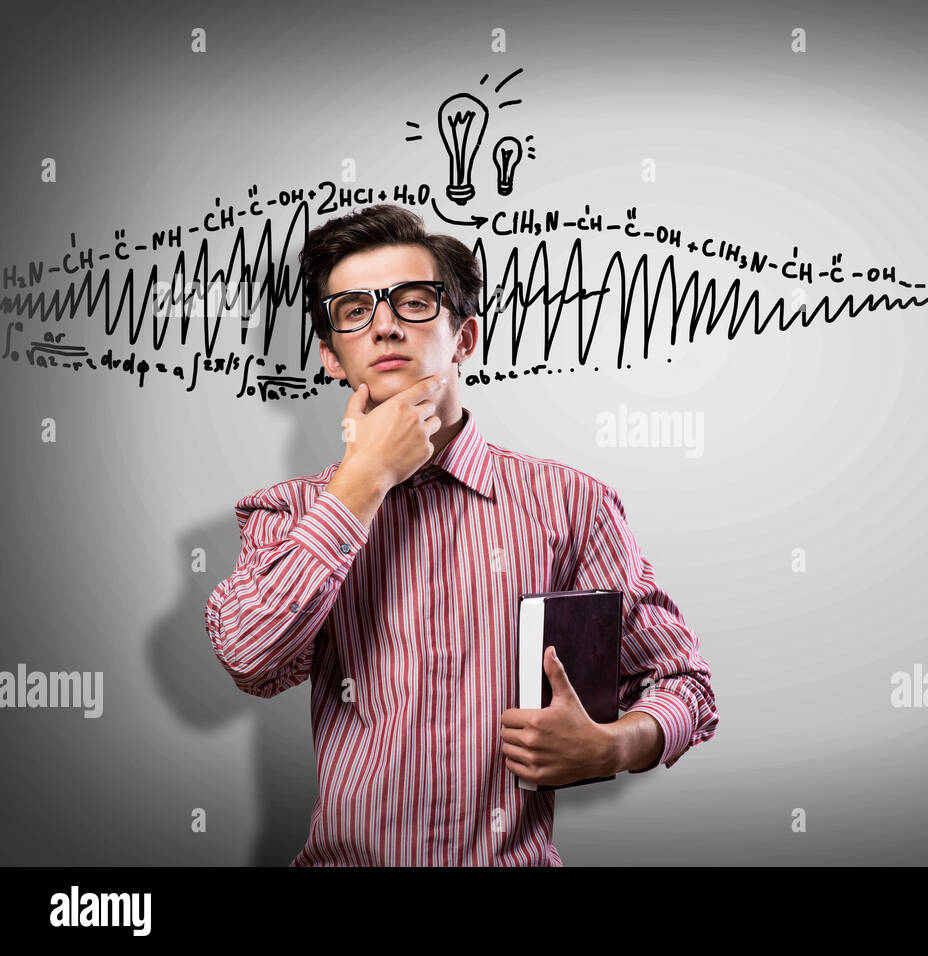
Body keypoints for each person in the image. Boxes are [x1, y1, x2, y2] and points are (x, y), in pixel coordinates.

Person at [203, 203, 719, 865]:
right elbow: (251, 658)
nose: (384, 324)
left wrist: (616, 745)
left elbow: (684, 681)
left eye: (412, 302)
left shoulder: (571, 504)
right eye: (354, 311)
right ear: (332, 358)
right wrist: (362, 482)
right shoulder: (288, 512)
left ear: (464, 337)